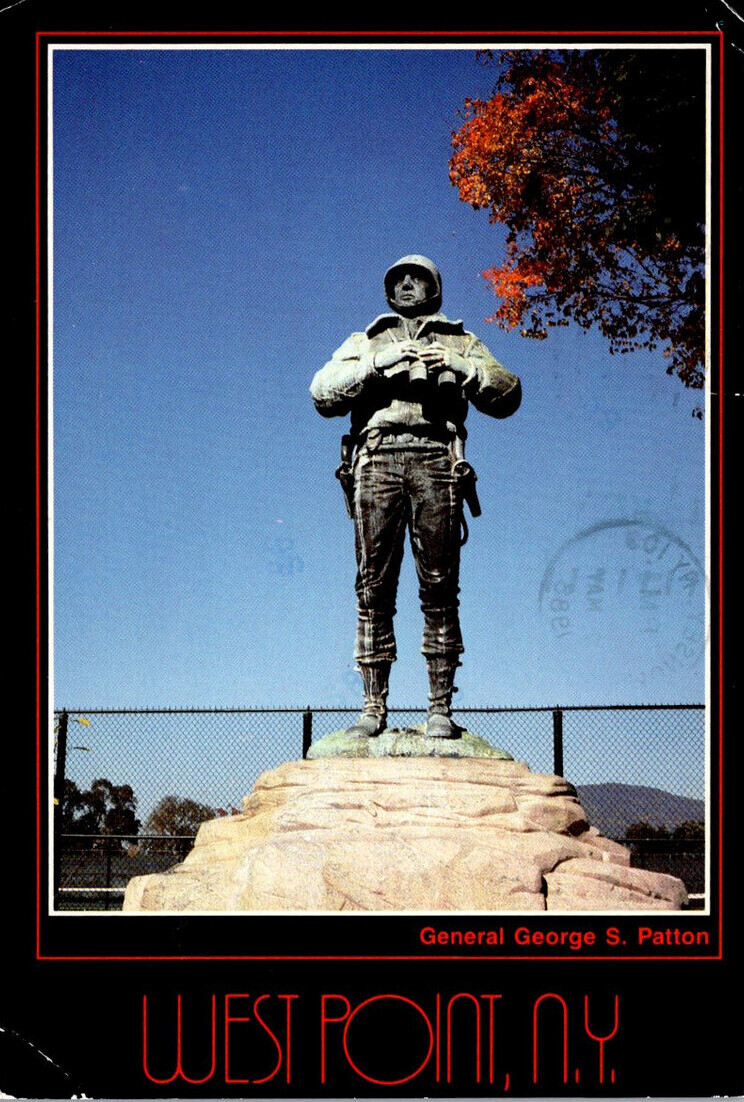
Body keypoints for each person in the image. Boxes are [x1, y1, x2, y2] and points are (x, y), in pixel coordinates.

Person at [310, 255, 521, 738]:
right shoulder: (366, 339)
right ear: (388, 291)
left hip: (436, 458)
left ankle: (440, 708)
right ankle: (372, 706)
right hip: (377, 457)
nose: (407, 284)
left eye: (417, 277)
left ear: (435, 287)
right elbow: (322, 393)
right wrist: (374, 366)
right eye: (398, 279)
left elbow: (508, 393)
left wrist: (460, 366)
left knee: (441, 588)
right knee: (372, 588)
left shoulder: (459, 339)